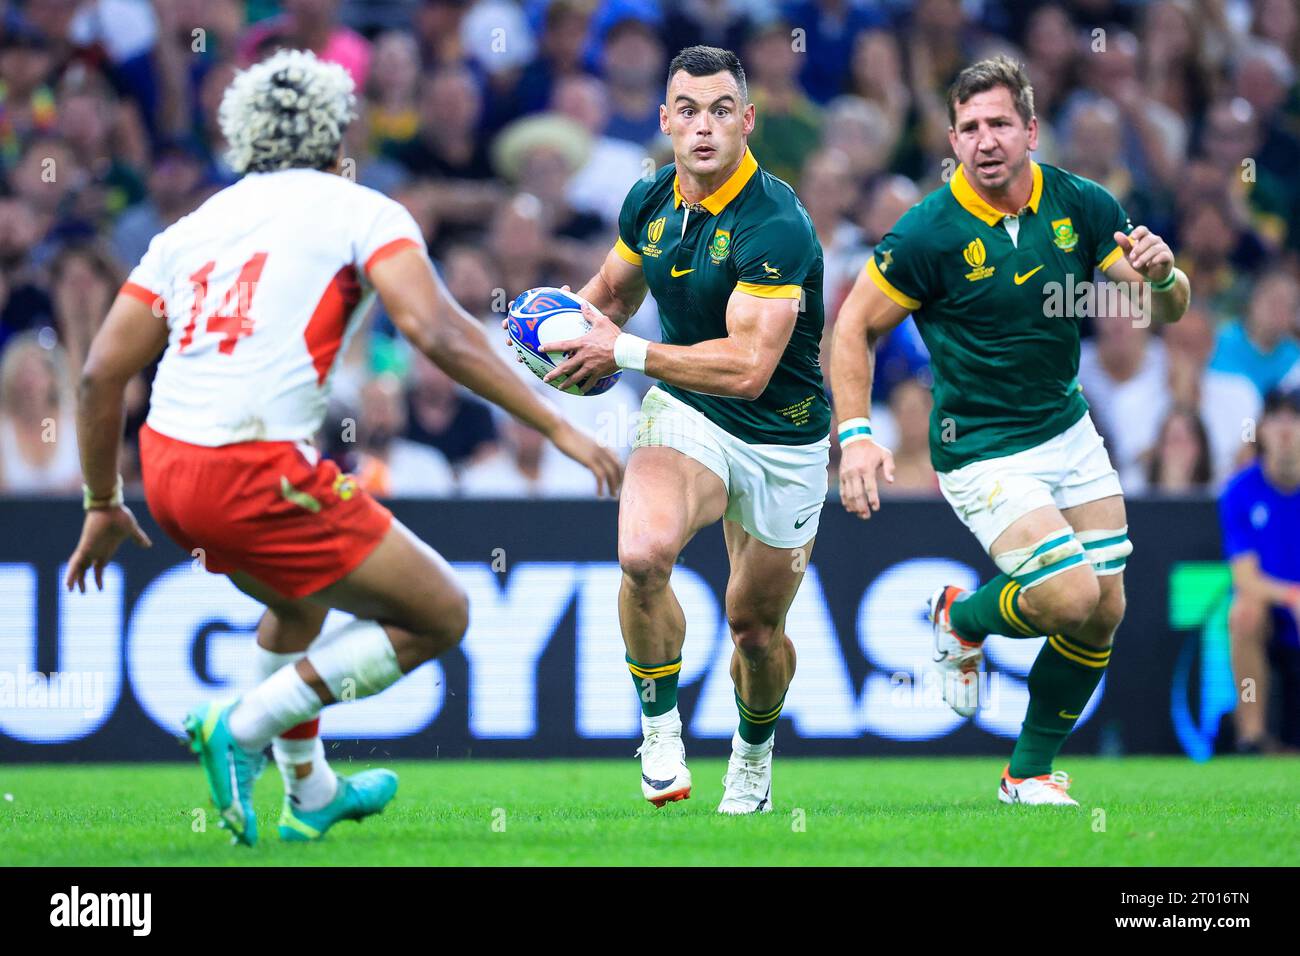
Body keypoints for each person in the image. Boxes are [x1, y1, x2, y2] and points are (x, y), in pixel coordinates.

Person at [63, 50, 621, 847]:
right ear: (340, 133)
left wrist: (101, 499)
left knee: (299, 602)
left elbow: (97, 374)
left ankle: (311, 793)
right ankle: (243, 721)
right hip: (251, 467)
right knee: (440, 616)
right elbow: (434, 330)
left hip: (165, 470)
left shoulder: (187, 231)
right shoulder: (361, 209)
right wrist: (557, 424)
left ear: (243, 138)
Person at [829, 56, 1191, 805]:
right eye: (968, 128)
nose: (985, 140)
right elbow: (852, 327)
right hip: (981, 445)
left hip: (1068, 428)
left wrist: (1163, 275)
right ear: (952, 144)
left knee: (1107, 608)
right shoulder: (928, 232)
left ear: (1030, 129)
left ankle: (1026, 773)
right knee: (1065, 596)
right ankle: (960, 619)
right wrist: (858, 432)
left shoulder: (1081, 205)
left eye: (999, 123)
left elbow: (1169, 310)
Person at [534, 46, 829, 814]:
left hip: (782, 437)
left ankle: (754, 755)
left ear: (747, 121)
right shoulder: (648, 200)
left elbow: (749, 368)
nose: (704, 127)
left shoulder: (778, 222)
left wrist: (621, 352)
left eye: (721, 110)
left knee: (755, 633)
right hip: (687, 410)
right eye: (688, 111)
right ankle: (660, 730)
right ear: (665, 120)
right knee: (641, 555)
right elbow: (611, 294)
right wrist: (559, 332)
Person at [1218, 386, 1300, 753]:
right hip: (1275, 615)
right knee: (1244, 612)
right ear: (1262, 430)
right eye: (1277, 419)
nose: (1286, 430)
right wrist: (1292, 596)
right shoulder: (1239, 490)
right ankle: (1252, 738)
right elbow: (1245, 578)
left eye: (1295, 419)